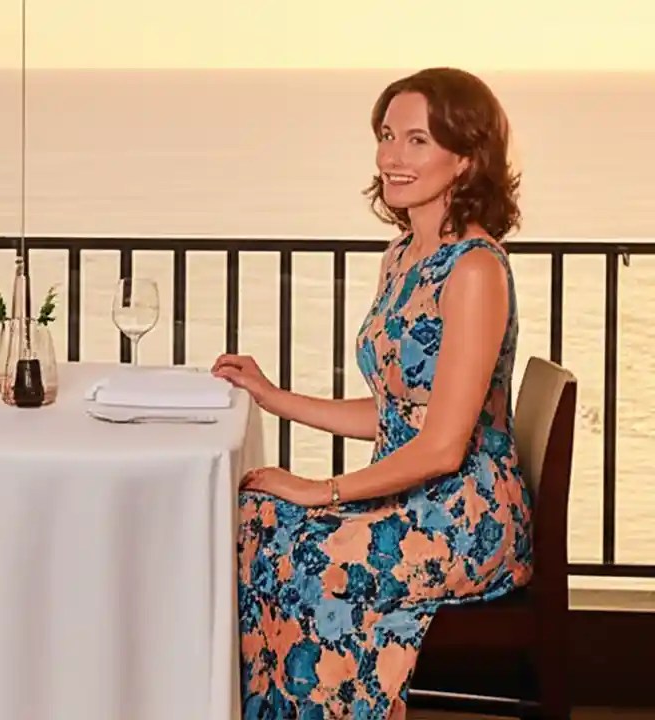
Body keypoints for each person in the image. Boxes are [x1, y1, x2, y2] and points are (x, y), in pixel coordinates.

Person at [213, 67, 531, 719]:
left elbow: (443, 447)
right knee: (254, 524)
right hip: (411, 490)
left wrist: (318, 489)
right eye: (387, 135)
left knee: (311, 553)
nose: (392, 156)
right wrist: (274, 396)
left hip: (465, 514)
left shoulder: (474, 270)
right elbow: (396, 415)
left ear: (466, 157)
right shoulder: (401, 256)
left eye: (417, 140)